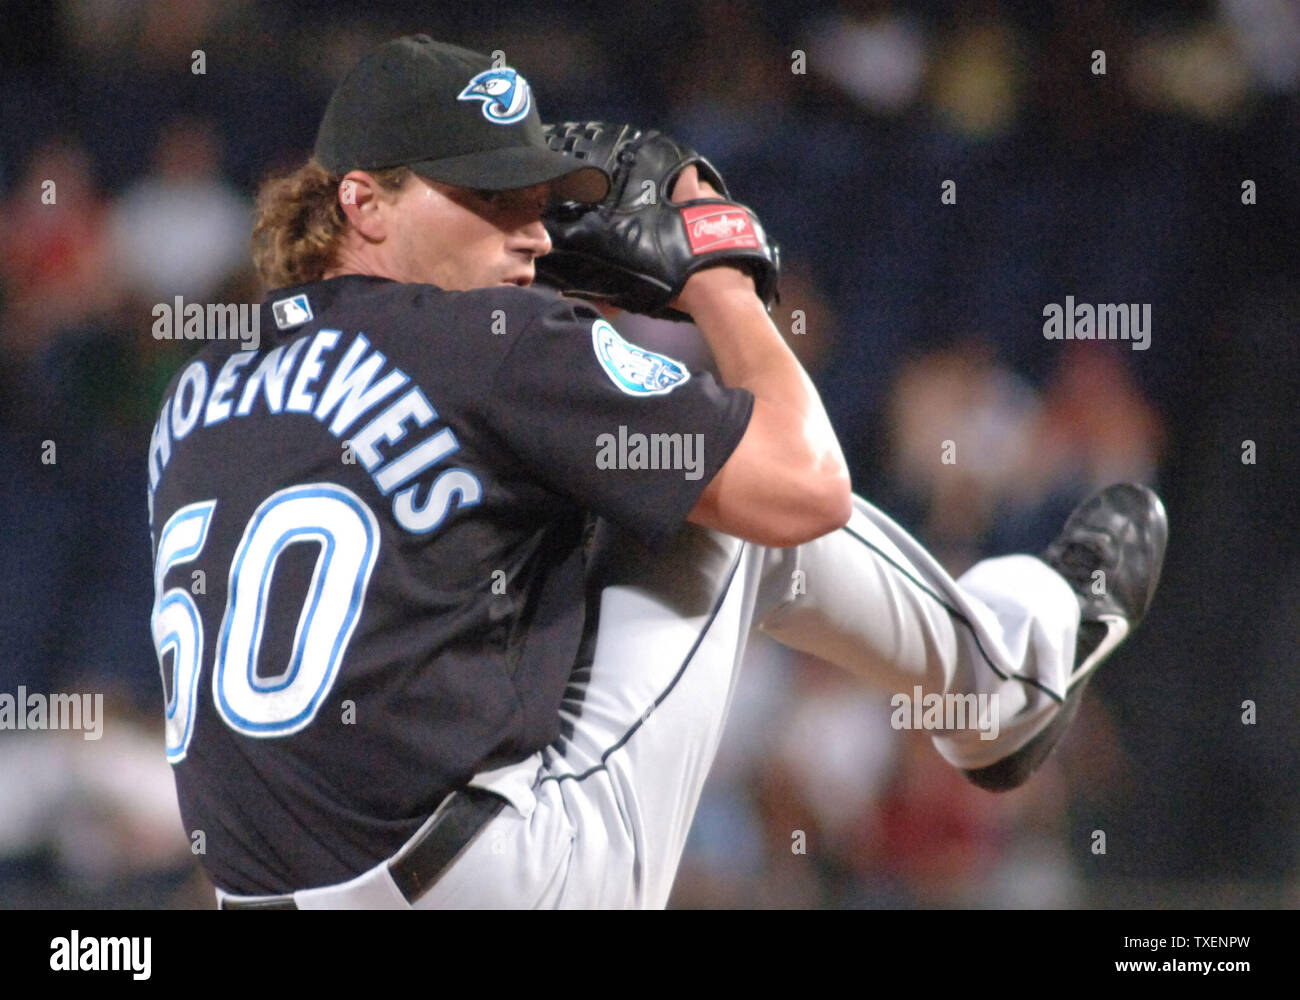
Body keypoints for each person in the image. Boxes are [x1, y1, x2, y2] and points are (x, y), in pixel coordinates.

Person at [148, 36, 1166, 910]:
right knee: (715, 507)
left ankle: (995, 689)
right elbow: (801, 486)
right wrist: (718, 275)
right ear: (362, 202)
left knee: (623, 484)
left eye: (538, 201)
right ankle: (1005, 684)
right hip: (492, 888)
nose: (536, 233)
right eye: (487, 197)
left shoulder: (197, 390)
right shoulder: (488, 337)